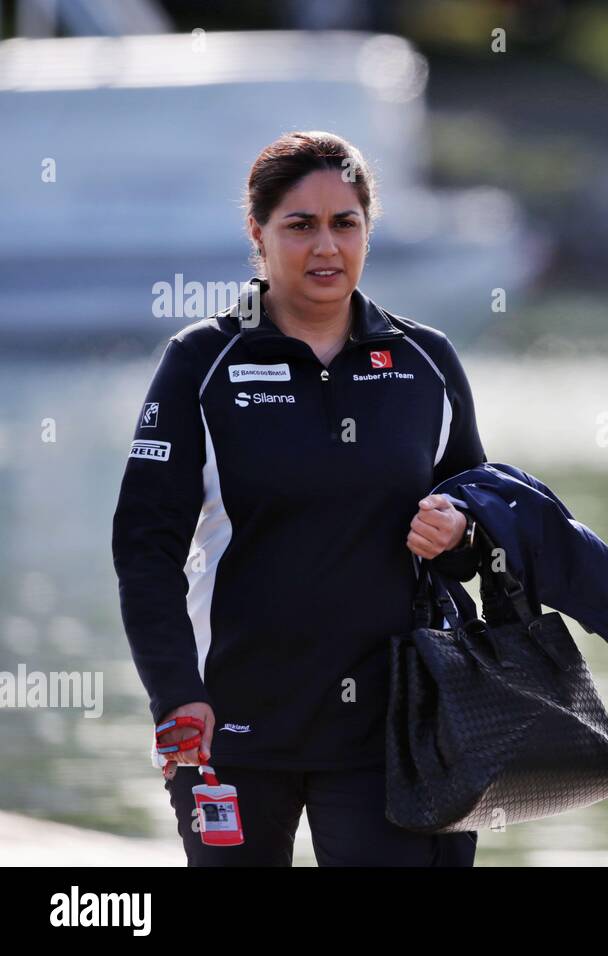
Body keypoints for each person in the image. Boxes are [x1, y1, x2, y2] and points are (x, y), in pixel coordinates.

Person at [111, 130, 486, 866]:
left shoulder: (425, 361)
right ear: (258, 231)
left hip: (395, 729)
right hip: (233, 726)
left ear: (368, 230)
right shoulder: (201, 361)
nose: (326, 247)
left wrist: (462, 530)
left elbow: (480, 519)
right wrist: (175, 696)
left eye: (345, 223)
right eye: (300, 225)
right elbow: (144, 548)